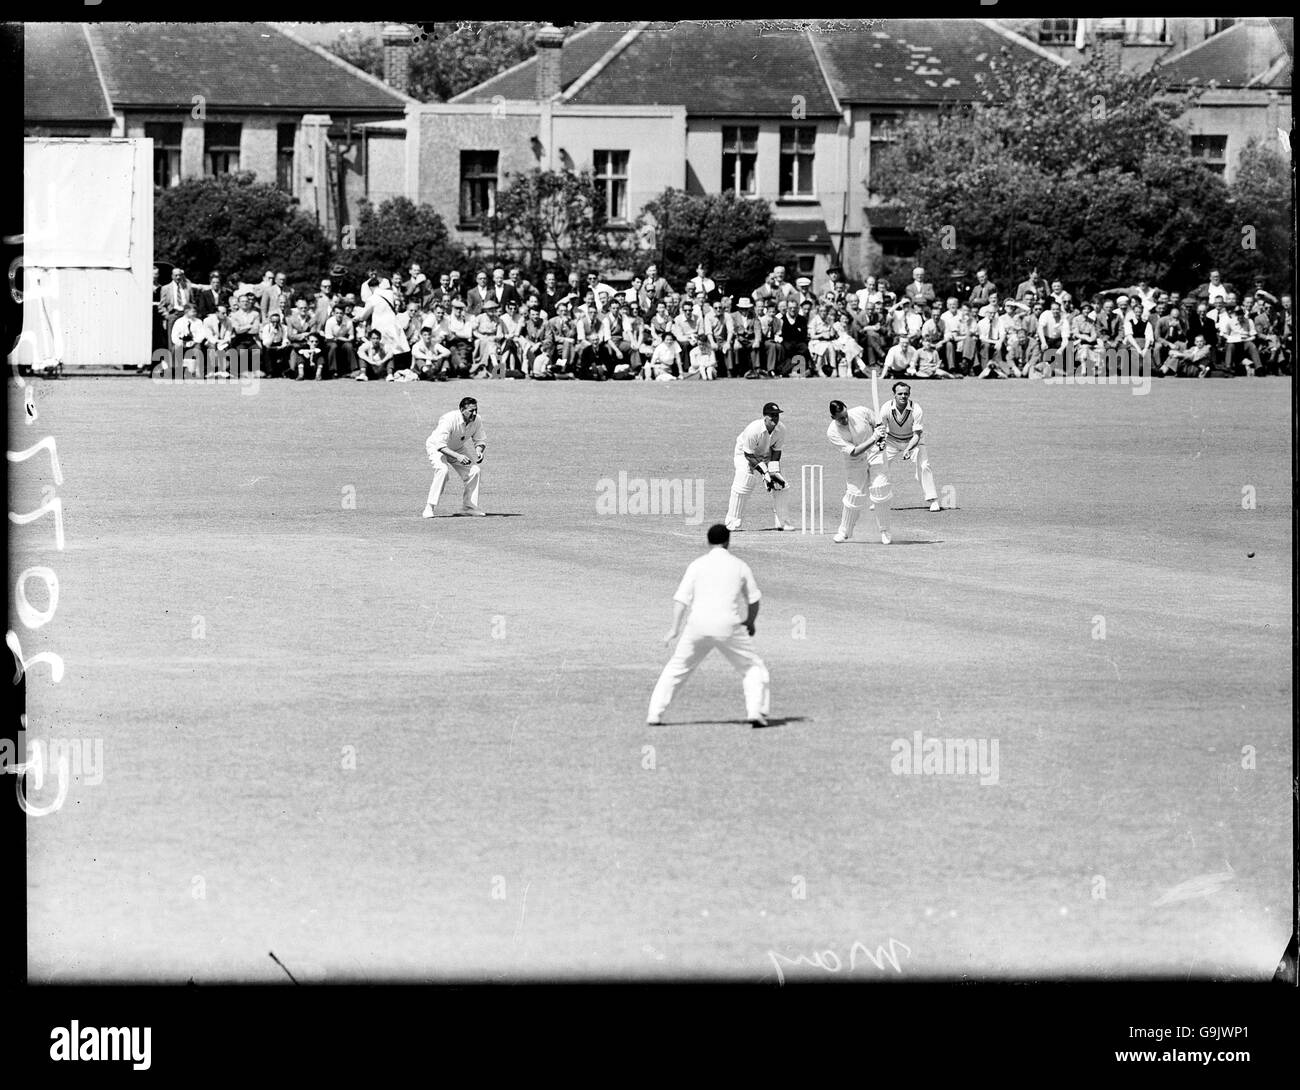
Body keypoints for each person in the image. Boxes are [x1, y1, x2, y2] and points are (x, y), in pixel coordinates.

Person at [646, 523, 770, 729]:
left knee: (676, 668)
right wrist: (750, 622)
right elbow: (754, 600)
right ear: (728, 542)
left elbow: (681, 599)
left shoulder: (697, 565)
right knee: (752, 667)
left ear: (708, 542)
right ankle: (756, 711)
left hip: (697, 624)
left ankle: (654, 714)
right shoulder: (739, 565)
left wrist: (674, 629)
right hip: (728, 625)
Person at [867, 382, 941, 544]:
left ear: (909, 394)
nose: (903, 396)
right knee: (880, 466)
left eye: (906, 394)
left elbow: (917, 435)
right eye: (900, 394)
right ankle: (877, 500)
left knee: (924, 466)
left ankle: (932, 499)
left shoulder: (917, 409)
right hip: (892, 441)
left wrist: (908, 449)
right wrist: (879, 442)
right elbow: (881, 430)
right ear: (894, 395)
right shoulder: (886, 408)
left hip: (913, 442)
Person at [825, 399, 889, 543]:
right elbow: (854, 452)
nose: (845, 419)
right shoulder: (832, 432)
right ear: (833, 417)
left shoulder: (861, 411)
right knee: (854, 495)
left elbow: (879, 425)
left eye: (846, 414)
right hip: (854, 460)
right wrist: (874, 437)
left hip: (876, 453)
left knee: (880, 490)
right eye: (841, 418)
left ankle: (885, 531)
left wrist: (882, 436)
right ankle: (845, 532)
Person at [725, 402, 793, 532]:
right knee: (744, 480)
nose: (775, 419)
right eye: (772, 416)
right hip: (744, 454)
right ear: (765, 417)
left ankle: (783, 522)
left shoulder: (781, 429)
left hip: (766, 453)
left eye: (777, 415)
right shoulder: (753, 430)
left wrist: (773, 472)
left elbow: (777, 451)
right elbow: (748, 455)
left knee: (780, 484)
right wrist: (764, 473)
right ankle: (731, 521)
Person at [422, 396, 487, 519]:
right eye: (471, 411)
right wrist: (458, 457)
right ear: (462, 409)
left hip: (457, 448)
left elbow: (480, 439)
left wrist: (479, 451)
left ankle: (469, 507)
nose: (474, 413)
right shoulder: (448, 419)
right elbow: (440, 445)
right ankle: (429, 507)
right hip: (437, 448)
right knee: (443, 470)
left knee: (474, 471)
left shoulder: (477, 420)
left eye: (475, 410)